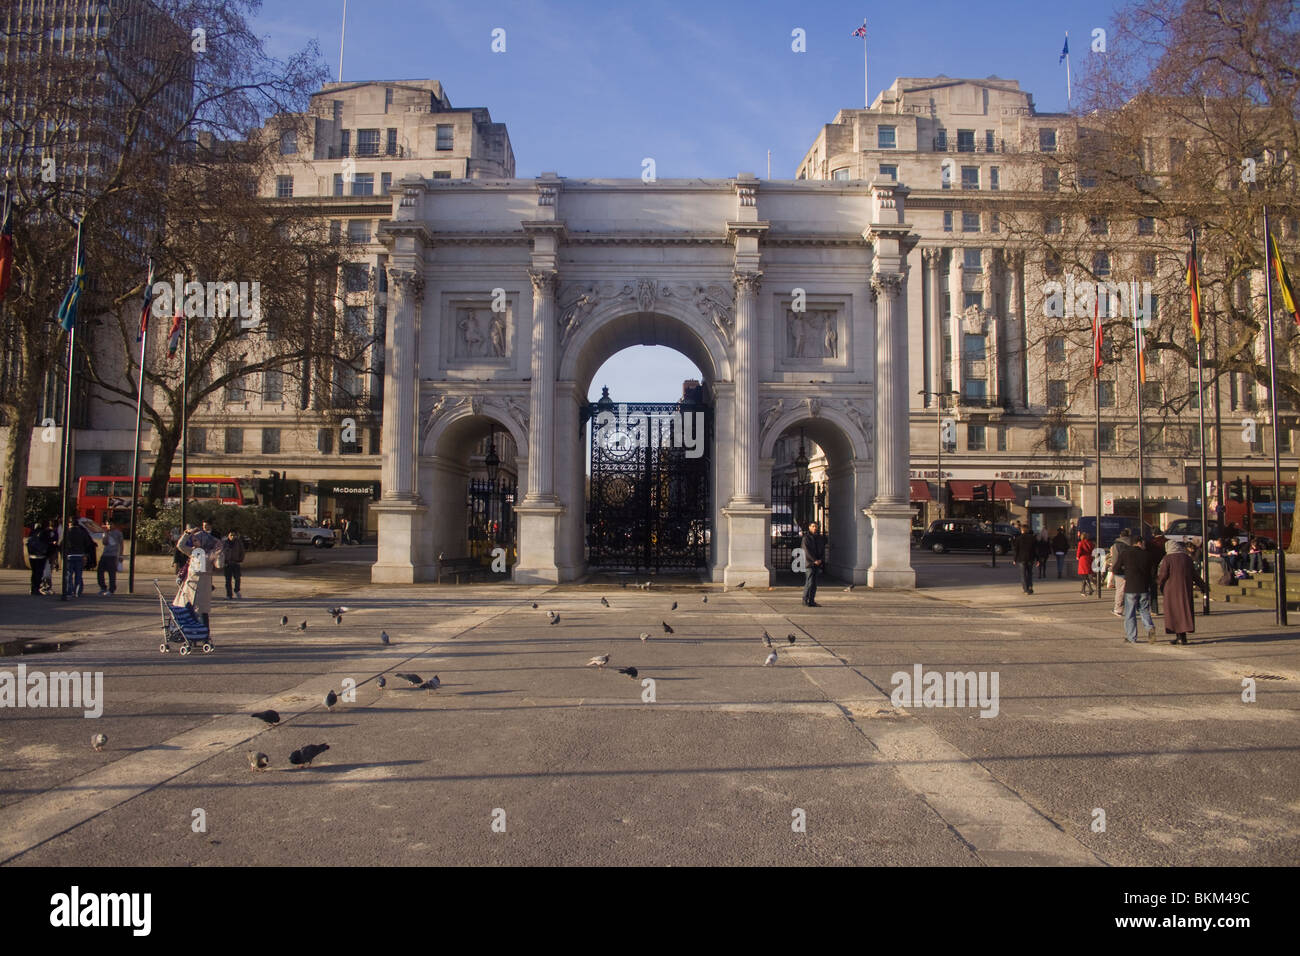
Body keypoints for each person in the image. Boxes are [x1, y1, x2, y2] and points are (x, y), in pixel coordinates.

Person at [1157, 539, 1207, 646]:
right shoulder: (1187, 558)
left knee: (1174, 613)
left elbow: (1163, 574)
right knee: (1184, 611)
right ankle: (1182, 637)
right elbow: (1194, 574)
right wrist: (1203, 586)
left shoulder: (1168, 558)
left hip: (1171, 589)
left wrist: (1159, 584)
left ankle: (1178, 636)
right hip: (1185, 589)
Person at [175, 521, 219, 630]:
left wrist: (219, 551)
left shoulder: (210, 554)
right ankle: (190, 635)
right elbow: (180, 545)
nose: (194, 542)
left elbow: (219, 564)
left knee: (202, 613)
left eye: (196, 540)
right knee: (188, 612)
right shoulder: (193, 551)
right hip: (190, 587)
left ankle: (204, 636)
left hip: (202, 588)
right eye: (193, 540)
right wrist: (187, 533)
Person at [1113, 536, 1157, 644]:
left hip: (1131, 587)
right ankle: (1149, 627)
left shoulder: (1125, 553)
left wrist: (1125, 573)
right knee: (1144, 610)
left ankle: (1131, 637)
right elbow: (1153, 572)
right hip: (1144, 587)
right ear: (1139, 543)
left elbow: (1116, 569)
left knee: (1130, 613)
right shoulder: (1147, 555)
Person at [61, 517, 95, 597]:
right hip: (80, 555)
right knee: (78, 574)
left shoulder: (67, 532)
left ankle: (69, 591)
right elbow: (88, 543)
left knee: (69, 574)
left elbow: (62, 544)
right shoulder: (82, 532)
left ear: (70, 524)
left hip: (69, 555)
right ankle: (77, 592)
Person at [800, 520, 827, 607]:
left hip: (817, 563)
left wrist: (820, 560)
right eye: (813, 526)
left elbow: (822, 549)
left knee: (814, 583)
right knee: (809, 582)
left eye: (816, 526)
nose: (815, 528)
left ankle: (811, 600)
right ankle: (805, 599)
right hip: (809, 563)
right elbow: (806, 551)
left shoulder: (820, 538)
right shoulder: (806, 538)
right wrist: (814, 560)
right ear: (809, 527)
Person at [97, 520, 124, 596]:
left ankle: (111, 589)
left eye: (110, 524)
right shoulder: (106, 533)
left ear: (114, 525)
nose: (109, 526)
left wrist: (121, 555)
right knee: (100, 571)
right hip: (105, 554)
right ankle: (103, 587)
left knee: (111, 573)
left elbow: (121, 545)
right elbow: (104, 543)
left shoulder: (118, 533)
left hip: (113, 555)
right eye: (107, 524)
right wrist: (105, 534)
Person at [1110, 528, 1133, 618]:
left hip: (1120, 570)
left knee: (1120, 590)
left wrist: (1113, 569)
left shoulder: (1117, 545)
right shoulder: (1132, 543)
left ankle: (1118, 609)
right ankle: (1131, 608)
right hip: (1131, 569)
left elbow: (1115, 559)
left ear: (1120, 535)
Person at [26, 523, 51, 596]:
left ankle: (33, 588)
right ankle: (36, 588)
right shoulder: (44, 533)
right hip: (41, 556)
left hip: (32, 556)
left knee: (34, 573)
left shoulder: (32, 533)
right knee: (39, 573)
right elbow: (48, 544)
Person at [221, 530, 246, 600]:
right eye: (231, 535)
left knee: (237, 578)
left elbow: (242, 551)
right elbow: (221, 553)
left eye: (234, 535)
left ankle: (237, 590)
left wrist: (240, 559)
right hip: (227, 564)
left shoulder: (238, 542)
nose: (232, 537)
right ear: (228, 536)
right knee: (228, 580)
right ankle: (229, 594)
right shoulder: (224, 543)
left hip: (236, 563)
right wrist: (223, 561)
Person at [1013, 523, 1037, 594]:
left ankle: (1025, 589)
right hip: (1030, 558)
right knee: (1030, 573)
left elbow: (1016, 550)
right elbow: (1035, 549)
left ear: (1022, 530)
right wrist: (1037, 559)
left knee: (1023, 574)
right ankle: (1030, 586)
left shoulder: (1018, 539)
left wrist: (1015, 559)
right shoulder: (1032, 538)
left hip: (1021, 559)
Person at [1076, 531, 1096, 596]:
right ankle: (1083, 590)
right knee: (1086, 576)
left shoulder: (1081, 543)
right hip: (1089, 559)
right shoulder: (1091, 543)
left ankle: (1089, 589)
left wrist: (1077, 557)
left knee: (1084, 576)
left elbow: (1079, 551)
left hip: (1083, 559)